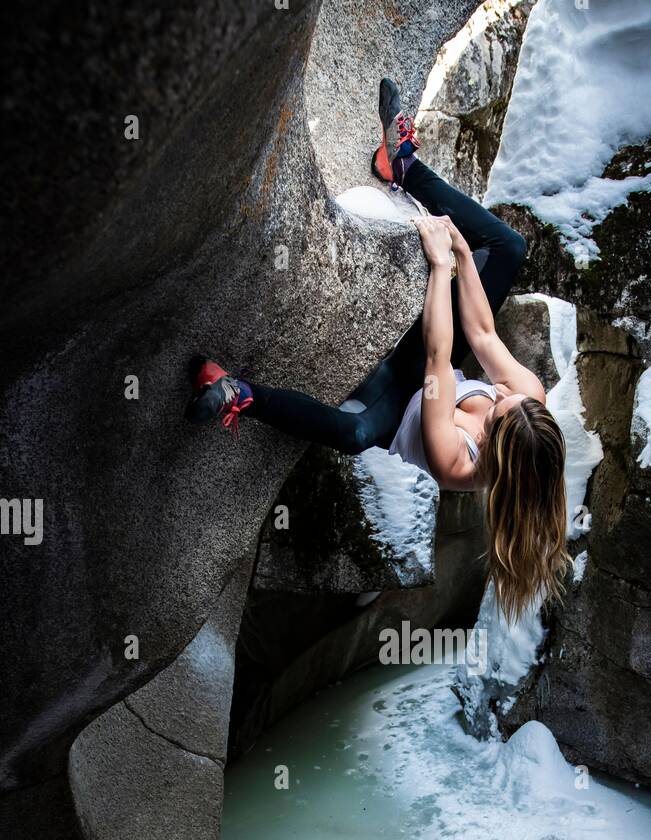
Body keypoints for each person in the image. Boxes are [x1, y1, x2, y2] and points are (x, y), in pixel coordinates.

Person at [186, 79, 569, 622]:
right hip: (433, 365)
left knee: (355, 433)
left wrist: (441, 267)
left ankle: (238, 393)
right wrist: (461, 248)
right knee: (508, 247)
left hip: (401, 398)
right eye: (513, 397)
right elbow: (481, 335)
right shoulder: (527, 402)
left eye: (499, 407)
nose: (505, 392)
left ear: (495, 443)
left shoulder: (459, 464)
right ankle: (403, 165)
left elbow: (439, 360)